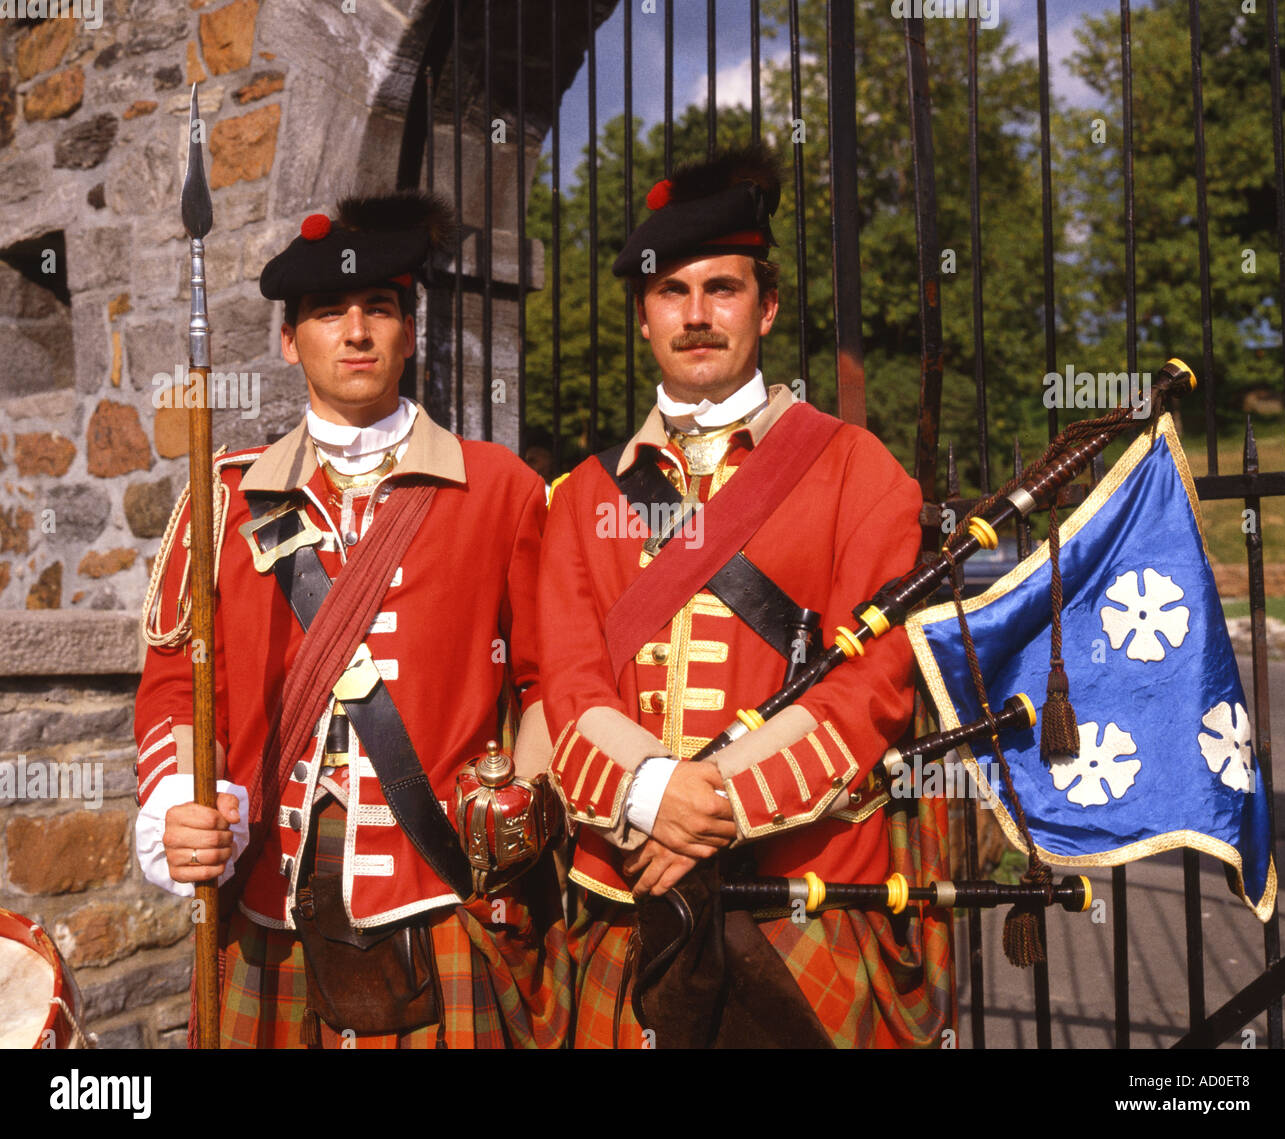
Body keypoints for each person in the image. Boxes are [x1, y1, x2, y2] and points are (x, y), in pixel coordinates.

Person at [133, 192, 568, 1049]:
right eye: (330, 314)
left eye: (380, 309)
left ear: (409, 331)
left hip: (441, 894)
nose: (358, 332)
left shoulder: (500, 489)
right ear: (291, 341)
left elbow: (549, 676)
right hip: (269, 898)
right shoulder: (226, 497)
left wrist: (516, 809)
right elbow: (180, 691)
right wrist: (177, 809)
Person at [540, 146, 949, 1048]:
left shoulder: (857, 471)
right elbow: (564, 684)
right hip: (628, 898)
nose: (696, 316)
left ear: (764, 307)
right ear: (643, 317)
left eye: (721, 290)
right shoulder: (583, 498)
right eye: (671, 294)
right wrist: (650, 793)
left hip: (802, 900)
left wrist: (709, 803)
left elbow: (871, 685)